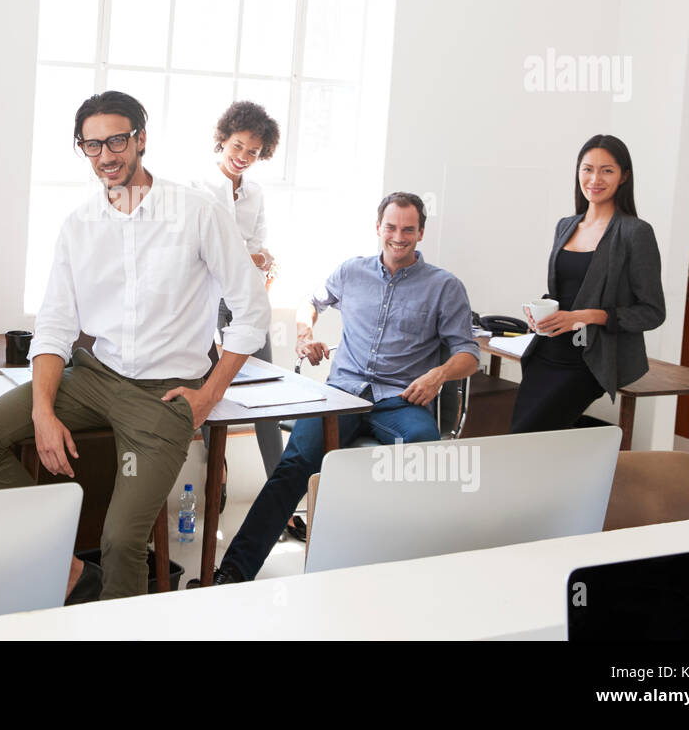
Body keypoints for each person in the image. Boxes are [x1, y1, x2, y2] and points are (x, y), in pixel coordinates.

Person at [0, 91, 270, 602]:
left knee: (122, 540)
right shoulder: (79, 225)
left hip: (165, 395)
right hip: (94, 378)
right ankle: (67, 564)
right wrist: (41, 411)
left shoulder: (197, 212)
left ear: (141, 139)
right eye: (92, 144)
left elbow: (250, 310)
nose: (106, 155)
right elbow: (55, 325)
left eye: (117, 140)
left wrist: (208, 396)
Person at [200, 192, 479, 585]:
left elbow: (469, 354)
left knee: (421, 451)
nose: (398, 236)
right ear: (378, 228)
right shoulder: (351, 271)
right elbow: (309, 302)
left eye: (408, 229)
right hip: (341, 396)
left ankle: (403, 568)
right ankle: (233, 572)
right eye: (391, 227)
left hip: (401, 401)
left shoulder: (444, 286)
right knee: (294, 466)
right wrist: (304, 333)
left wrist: (437, 375)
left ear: (421, 232)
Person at [510, 134, 665, 433]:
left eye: (607, 170)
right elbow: (564, 291)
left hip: (588, 360)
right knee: (528, 444)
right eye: (587, 168)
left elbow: (653, 311)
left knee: (527, 439)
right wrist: (539, 311)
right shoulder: (566, 225)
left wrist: (587, 316)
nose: (595, 178)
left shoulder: (635, 233)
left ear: (624, 176)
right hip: (546, 352)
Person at [190, 101, 282, 512]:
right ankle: (218, 478)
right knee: (212, 389)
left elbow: (257, 246)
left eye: (253, 152)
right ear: (223, 139)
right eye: (238, 146)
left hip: (244, 298)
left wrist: (258, 258)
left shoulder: (255, 193)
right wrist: (251, 258)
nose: (243, 157)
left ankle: (280, 487)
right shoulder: (198, 186)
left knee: (265, 391)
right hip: (205, 299)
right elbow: (206, 249)